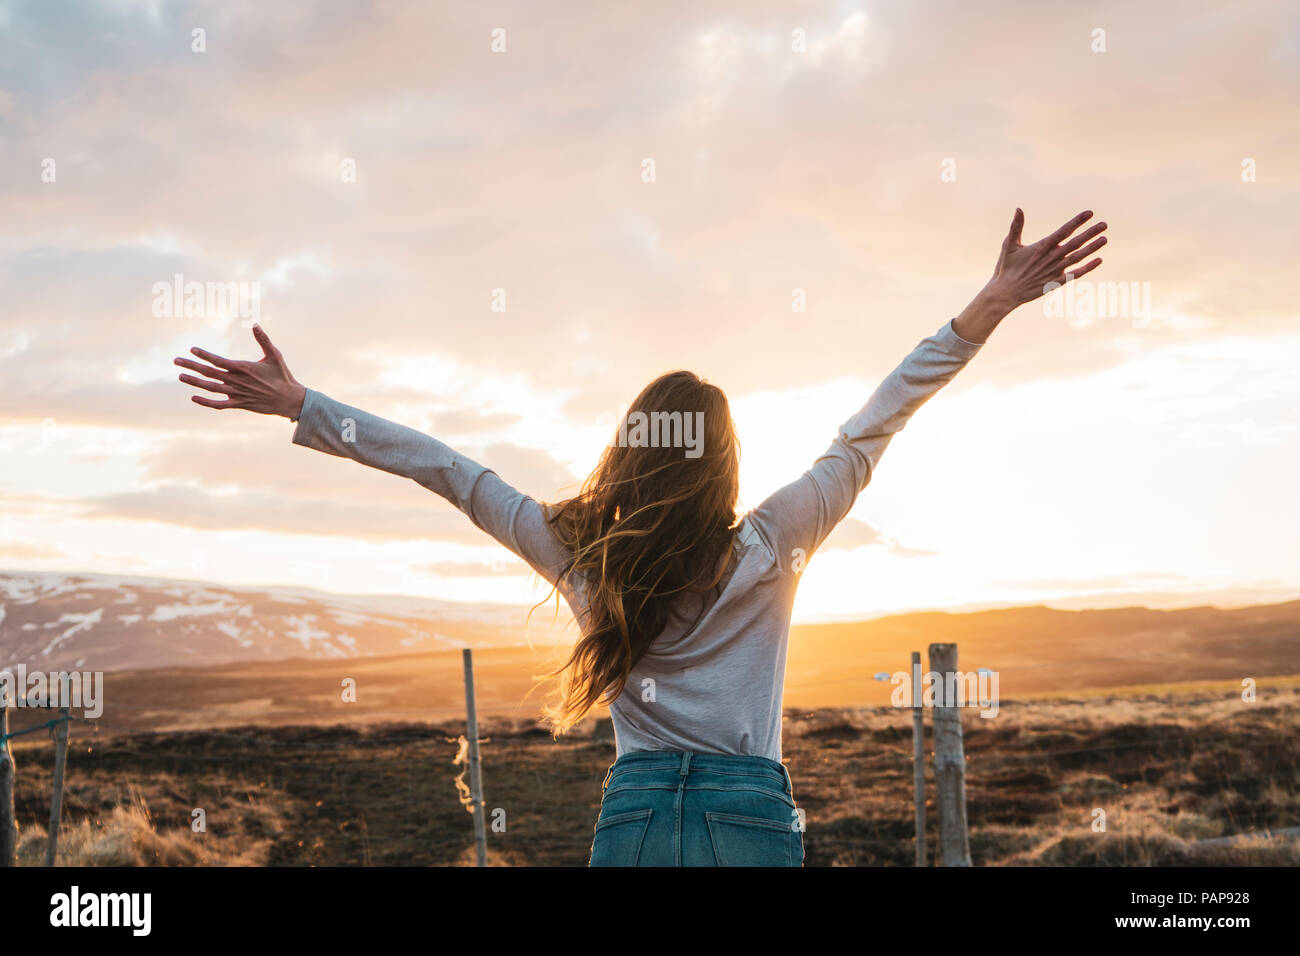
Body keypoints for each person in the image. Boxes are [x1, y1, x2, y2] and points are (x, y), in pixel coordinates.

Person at [176, 208, 1106, 866]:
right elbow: (876, 421)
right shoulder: (776, 539)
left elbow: (448, 470)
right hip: (748, 817)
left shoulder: (582, 556)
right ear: (727, 464)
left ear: (629, 451)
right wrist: (988, 306)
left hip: (633, 819)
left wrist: (307, 406)